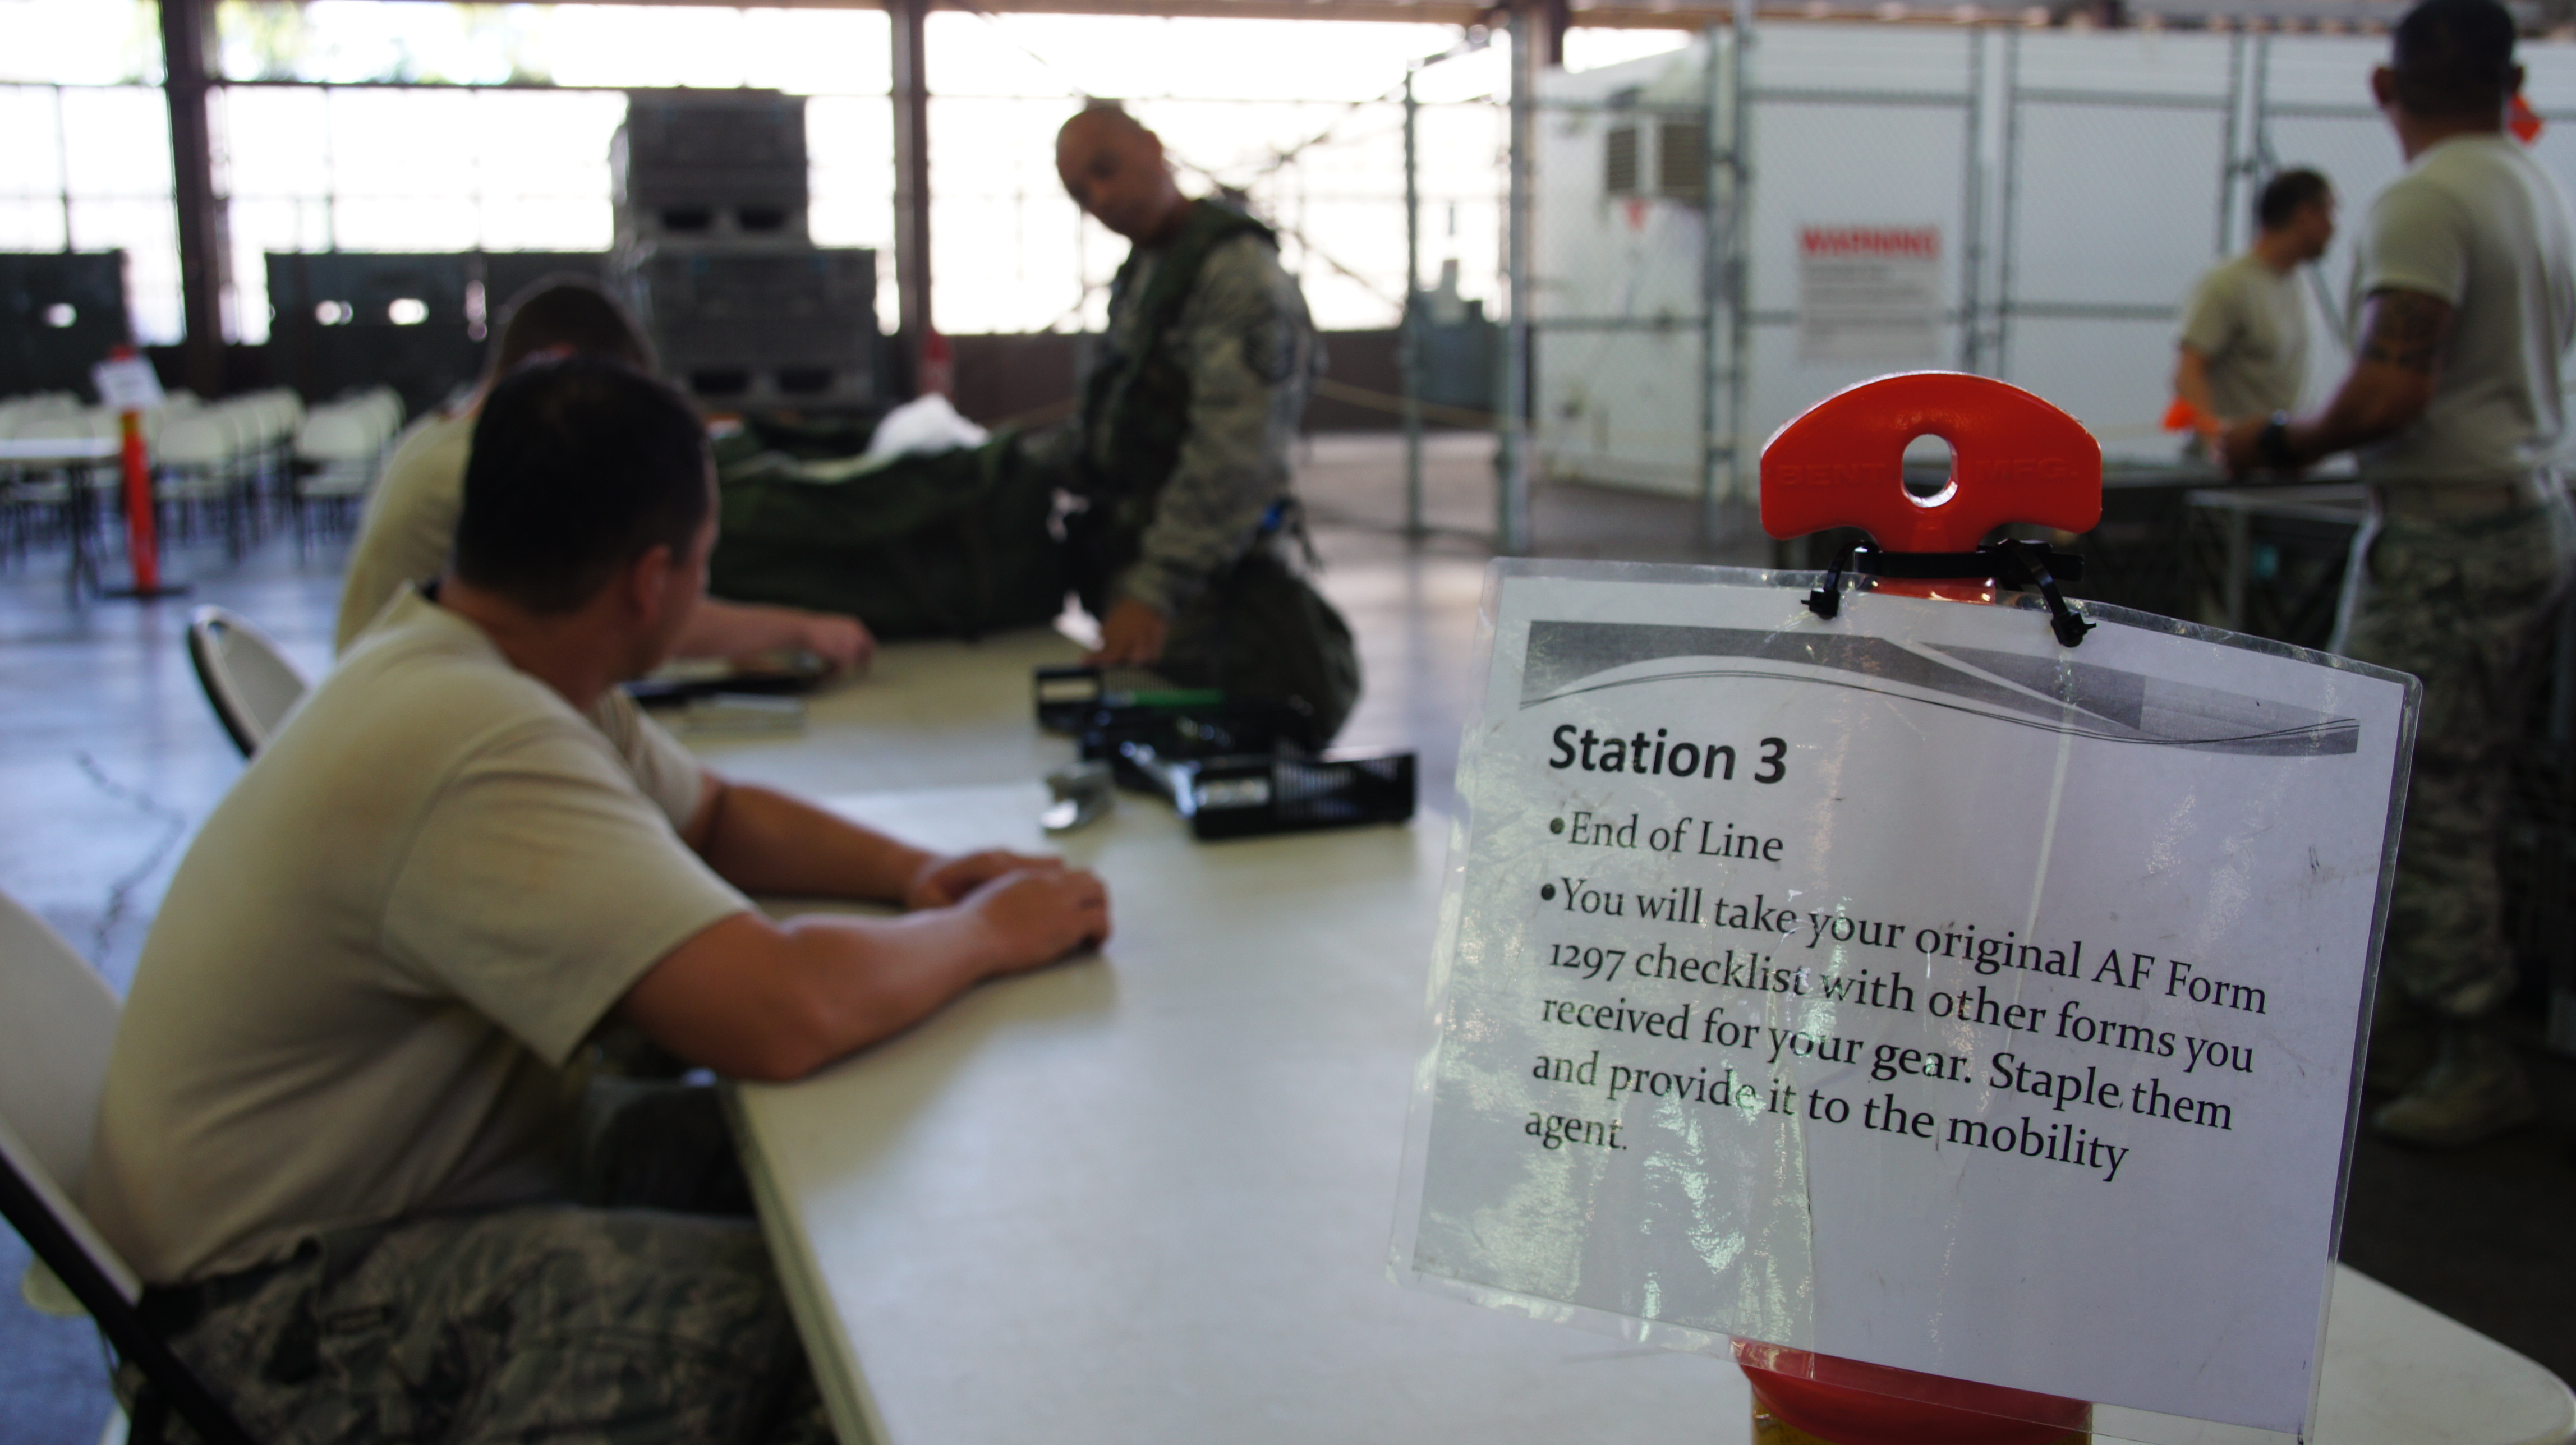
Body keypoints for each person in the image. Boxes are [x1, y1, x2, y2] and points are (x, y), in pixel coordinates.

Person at [85, 357, 1111, 1440]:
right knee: (846, 1325)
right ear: (649, 580)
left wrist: (912, 876)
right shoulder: (470, 737)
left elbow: (711, 814)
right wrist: (982, 935)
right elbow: (778, 1010)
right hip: (280, 1318)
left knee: (821, 1186)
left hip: (395, 1192)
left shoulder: (484, 659)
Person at [2221, 0, 2576, 1147]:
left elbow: (2390, 390)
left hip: (2446, 535)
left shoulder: (2426, 200)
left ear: (2387, 88)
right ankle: (2425, 1027)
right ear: (2508, 76)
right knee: (2454, 779)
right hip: (2516, 512)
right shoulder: (2525, 180)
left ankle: (2466, 1048)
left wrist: (2274, 442)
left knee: (2419, 790)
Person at [333, 275, 875, 673]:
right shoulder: (496, 467)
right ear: (555, 365)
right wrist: (802, 630)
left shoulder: (440, 436)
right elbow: (627, 609)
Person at [1051, 102, 1362, 743]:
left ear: (1152, 148)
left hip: (1213, 593)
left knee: (1222, 764)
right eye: (1081, 193)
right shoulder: (1146, 273)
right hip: (1152, 579)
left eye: (1105, 171)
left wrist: (1155, 589)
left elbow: (1237, 457)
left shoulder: (1237, 278)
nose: (1100, 199)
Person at [2172, 168, 2337, 459]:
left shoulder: (2298, 284)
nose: (2334, 228)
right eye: (2329, 214)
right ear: (2305, 215)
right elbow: (2188, 372)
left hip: (2280, 465)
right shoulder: (2228, 285)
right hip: (2233, 473)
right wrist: (2216, 445)